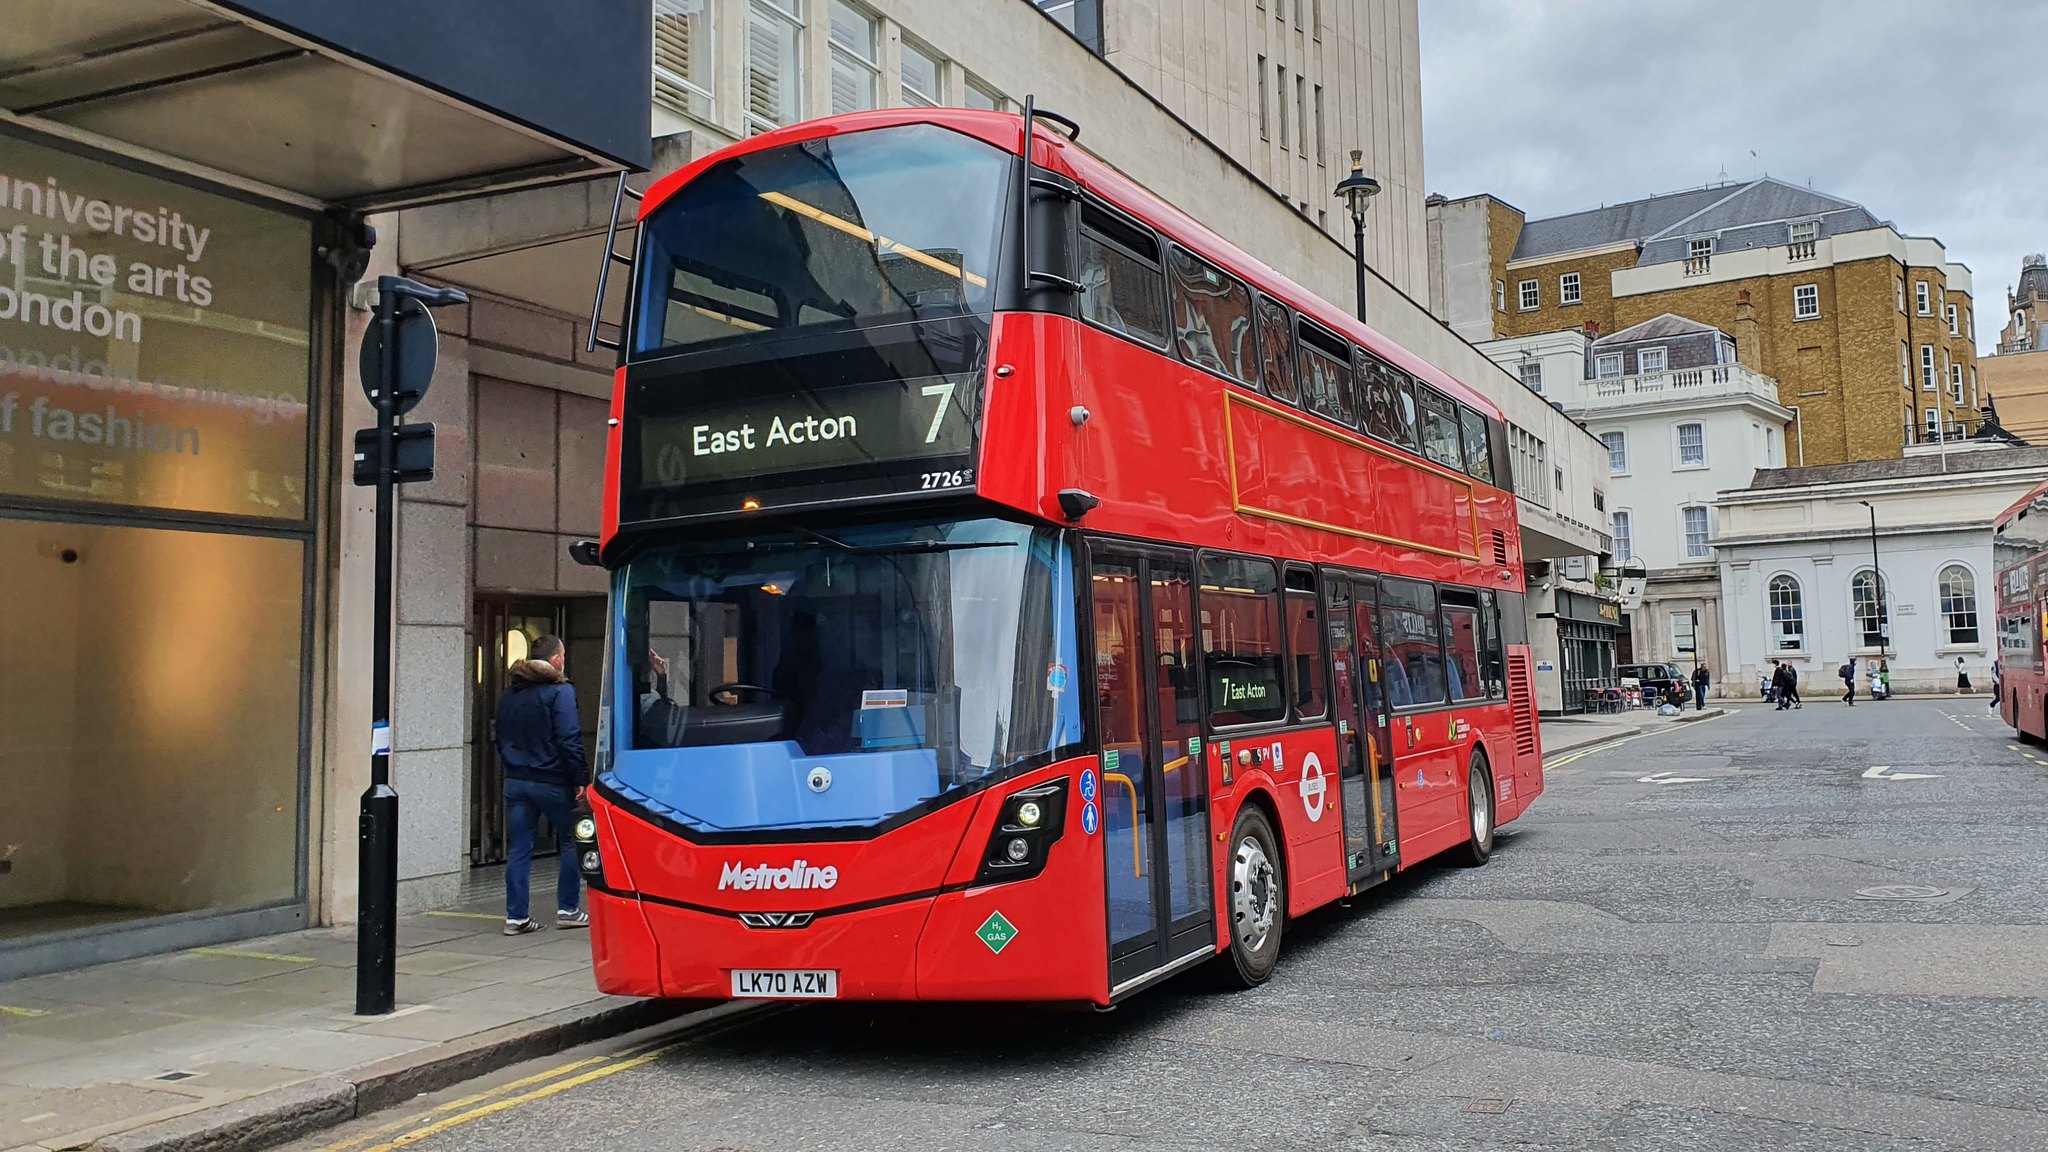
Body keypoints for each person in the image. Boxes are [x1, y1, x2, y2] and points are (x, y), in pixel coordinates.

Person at [496, 634, 589, 936]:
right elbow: (569, 738)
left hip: (516, 781)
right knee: (571, 841)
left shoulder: (510, 693)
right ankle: (568, 909)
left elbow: (500, 736)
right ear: (557, 659)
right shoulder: (558, 692)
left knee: (520, 847)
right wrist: (580, 779)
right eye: (563, 654)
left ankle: (516, 917)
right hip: (552, 781)